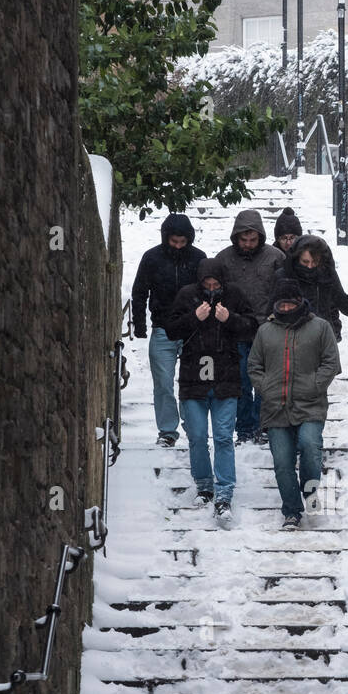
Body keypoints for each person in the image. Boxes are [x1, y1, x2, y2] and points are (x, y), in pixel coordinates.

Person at [162, 259, 257, 522]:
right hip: (194, 377)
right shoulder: (186, 295)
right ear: (200, 282)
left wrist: (230, 319)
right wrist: (195, 317)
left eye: (216, 284)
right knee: (197, 435)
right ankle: (204, 484)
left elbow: (252, 327)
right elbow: (170, 330)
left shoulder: (235, 294)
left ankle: (225, 489)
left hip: (226, 376)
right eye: (208, 284)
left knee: (224, 435)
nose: (212, 288)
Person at [247, 281, 341, 529]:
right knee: (282, 461)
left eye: (290, 303)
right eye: (281, 304)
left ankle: (310, 494)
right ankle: (291, 510)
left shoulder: (320, 327)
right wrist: (265, 387)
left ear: (300, 302)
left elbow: (331, 363)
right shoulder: (265, 331)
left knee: (311, 447)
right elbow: (254, 366)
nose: (286, 308)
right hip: (275, 407)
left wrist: (314, 385)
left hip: (310, 405)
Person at [131, 214, 207, 446]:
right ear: (166, 238)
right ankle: (167, 431)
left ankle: (193, 426)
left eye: (182, 242)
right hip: (162, 328)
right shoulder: (152, 258)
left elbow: (209, 290)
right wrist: (140, 325)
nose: (177, 246)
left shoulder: (198, 258)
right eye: (174, 241)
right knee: (163, 382)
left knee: (190, 381)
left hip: (192, 329)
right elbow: (139, 292)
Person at [210, 209, 284, 446]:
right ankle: (244, 428)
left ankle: (263, 426)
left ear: (260, 236)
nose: (248, 244)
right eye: (244, 240)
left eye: (253, 240)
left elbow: (285, 289)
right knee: (240, 381)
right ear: (236, 237)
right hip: (235, 328)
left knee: (265, 382)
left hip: (267, 328)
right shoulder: (223, 259)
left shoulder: (275, 257)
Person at [270, 233, 348, 342]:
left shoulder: (326, 274)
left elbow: (344, 303)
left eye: (314, 262)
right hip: (292, 339)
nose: (310, 266)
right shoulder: (284, 276)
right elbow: (272, 310)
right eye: (305, 262)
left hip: (323, 337)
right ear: (297, 258)